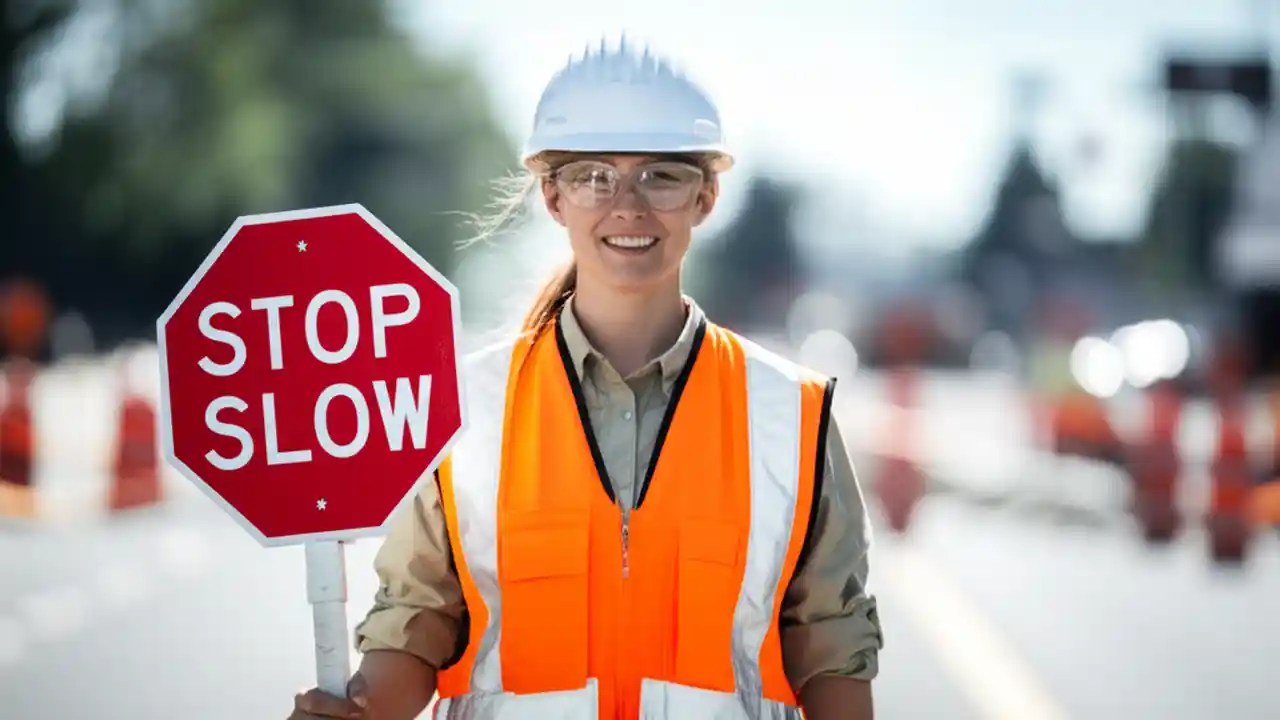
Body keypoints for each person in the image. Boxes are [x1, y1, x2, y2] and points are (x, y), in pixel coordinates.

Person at [290, 38, 882, 720]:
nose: (627, 204)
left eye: (661, 175)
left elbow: (833, 651)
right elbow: (415, 622)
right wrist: (361, 714)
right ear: (552, 196)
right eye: (593, 176)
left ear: (706, 196)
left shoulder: (792, 415)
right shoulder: (462, 409)